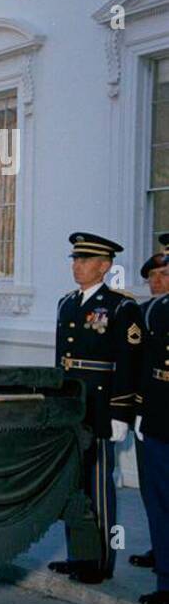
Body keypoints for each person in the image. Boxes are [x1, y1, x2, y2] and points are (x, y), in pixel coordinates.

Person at [50, 232, 142, 584]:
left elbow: (128, 362)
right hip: (72, 406)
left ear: (104, 266)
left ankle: (100, 563)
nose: (77, 266)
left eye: (85, 260)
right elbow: (62, 360)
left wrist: (121, 412)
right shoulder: (67, 303)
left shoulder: (121, 306)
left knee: (99, 486)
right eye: (75, 259)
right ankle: (79, 556)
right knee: (74, 485)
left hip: (102, 408)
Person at [131, 242, 169, 576]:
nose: (157, 280)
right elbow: (141, 362)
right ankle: (161, 551)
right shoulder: (146, 311)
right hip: (156, 405)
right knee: (154, 488)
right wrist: (139, 405)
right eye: (153, 276)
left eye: (164, 273)